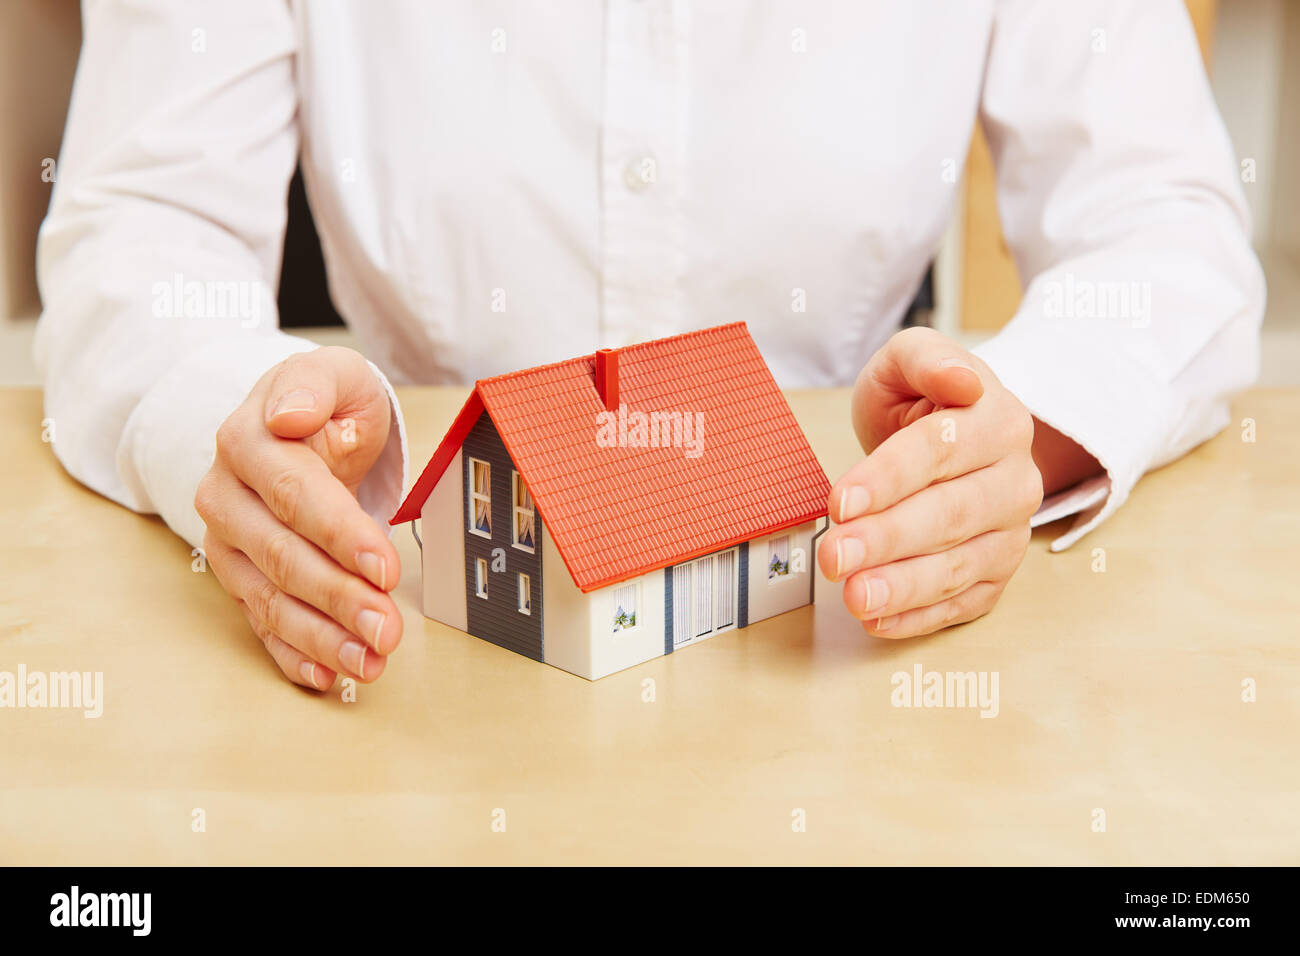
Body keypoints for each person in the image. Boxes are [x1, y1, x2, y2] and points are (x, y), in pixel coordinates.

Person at [36, 1, 1264, 691]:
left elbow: (1164, 231)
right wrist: (238, 421)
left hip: (837, 645)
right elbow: (143, 223)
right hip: (419, 631)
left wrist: (1020, 434)